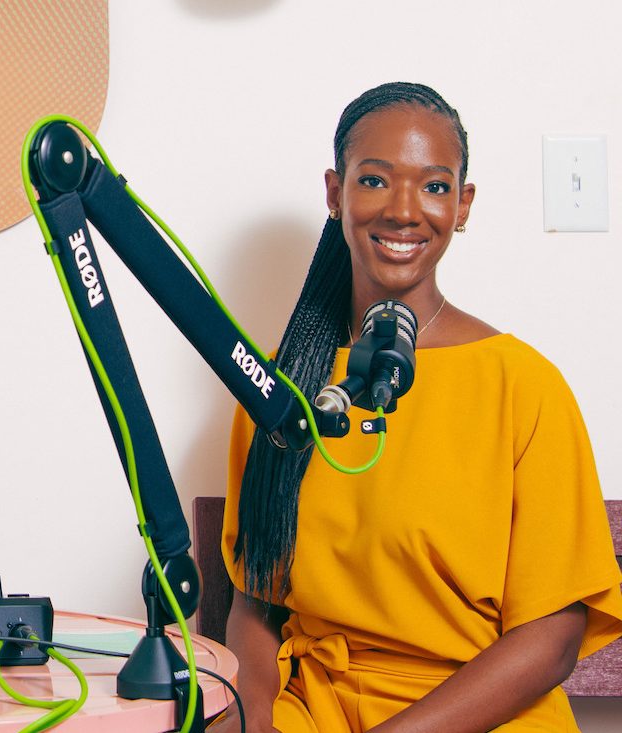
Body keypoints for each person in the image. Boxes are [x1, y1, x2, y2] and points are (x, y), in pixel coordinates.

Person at [211, 82, 622, 732]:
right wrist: (251, 715)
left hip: (484, 713)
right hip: (315, 710)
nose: (405, 210)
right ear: (334, 193)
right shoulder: (277, 388)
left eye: (433, 187)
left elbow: (554, 636)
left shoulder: (524, 385)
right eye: (374, 180)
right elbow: (255, 602)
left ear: (462, 205)